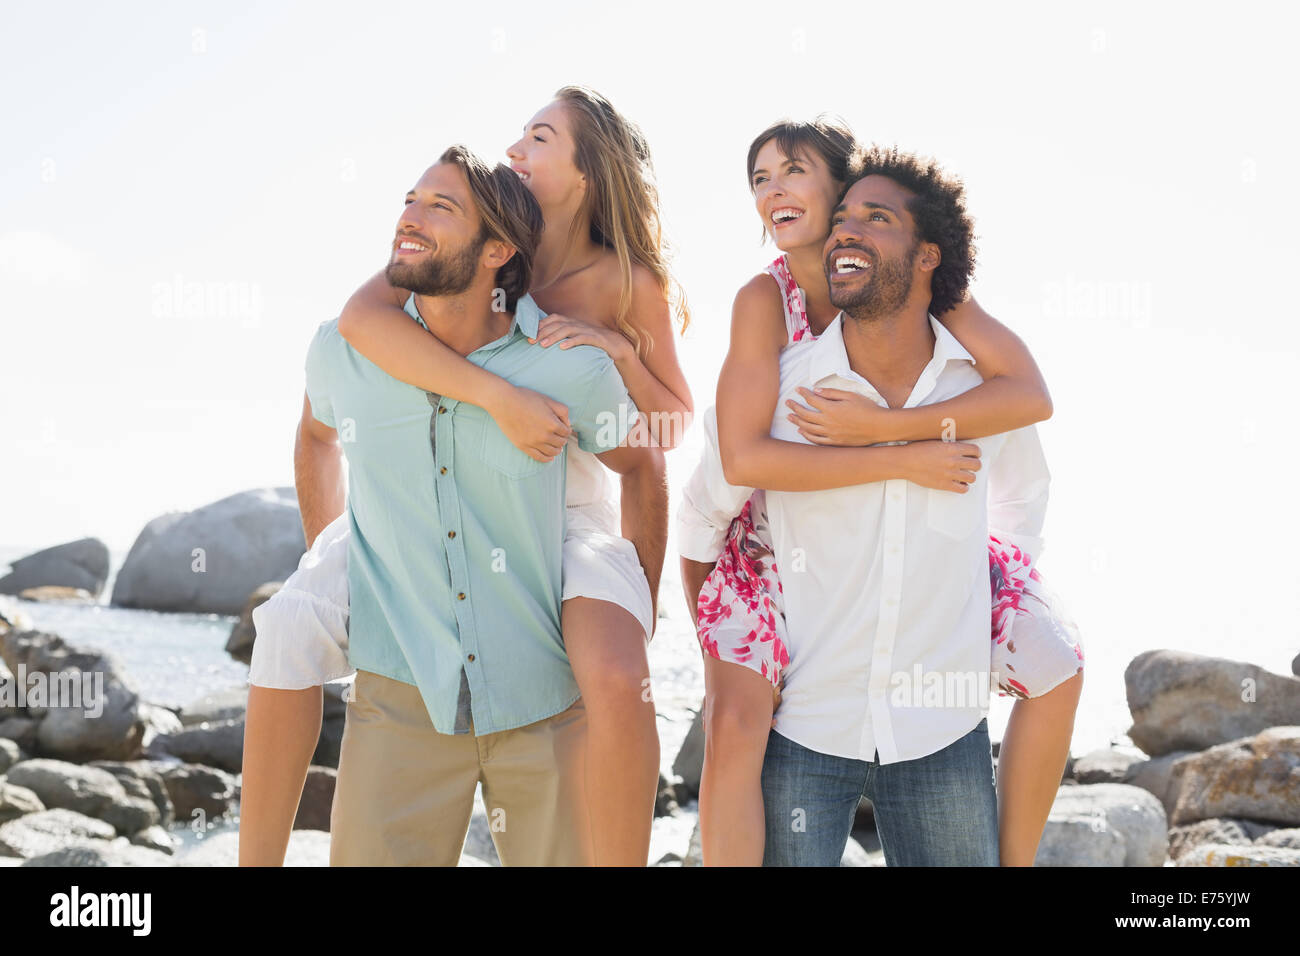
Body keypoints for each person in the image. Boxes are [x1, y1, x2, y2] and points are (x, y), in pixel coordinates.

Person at [240, 87, 691, 867]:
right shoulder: (368, 329)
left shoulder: (606, 299)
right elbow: (339, 372)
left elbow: (660, 444)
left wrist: (638, 604)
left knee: (615, 675)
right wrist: (347, 556)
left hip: (560, 503)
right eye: (409, 199)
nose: (518, 146)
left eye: (541, 137)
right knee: (284, 627)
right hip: (414, 581)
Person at [678, 143, 1081, 866]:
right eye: (843, 220)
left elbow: (1023, 498)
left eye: (874, 216)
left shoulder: (979, 394)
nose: (845, 231)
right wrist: (731, 663)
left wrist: (975, 600)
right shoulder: (782, 393)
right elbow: (706, 513)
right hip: (808, 722)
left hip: (940, 729)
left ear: (927, 256)